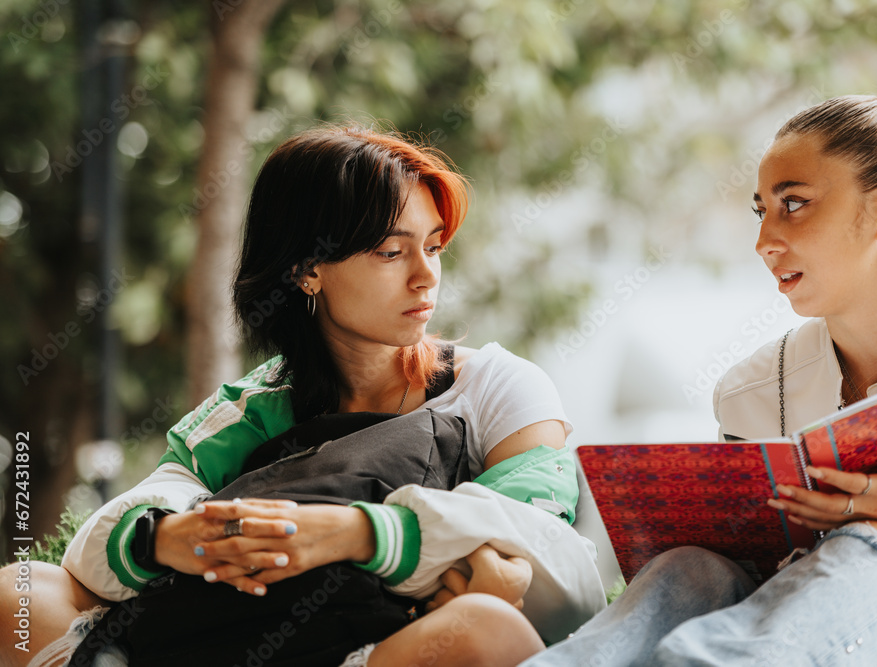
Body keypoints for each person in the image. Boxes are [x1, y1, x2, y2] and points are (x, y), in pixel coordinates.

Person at [0, 126, 605, 667]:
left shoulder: (499, 389)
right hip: (214, 637)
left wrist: (355, 533)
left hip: (366, 649)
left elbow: (556, 568)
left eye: (435, 246)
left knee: (487, 629)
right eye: (391, 252)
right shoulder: (251, 407)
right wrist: (164, 539)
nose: (426, 275)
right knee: (20, 595)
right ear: (307, 270)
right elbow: (105, 541)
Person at [522, 95, 877, 666]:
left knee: (871, 544)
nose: (764, 240)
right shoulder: (750, 391)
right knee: (690, 566)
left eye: (793, 204)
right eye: (761, 211)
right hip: (798, 634)